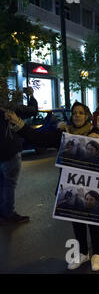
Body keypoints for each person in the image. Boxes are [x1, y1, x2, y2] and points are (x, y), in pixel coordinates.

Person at [5, 102, 99, 271]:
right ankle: (82, 253)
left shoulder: (96, 133)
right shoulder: (63, 134)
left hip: (93, 186)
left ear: (87, 116)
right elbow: (38, 138)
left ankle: (97, 254)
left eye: (81, 113)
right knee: (76, 220)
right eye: (74, 113)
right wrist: (18, 123)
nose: (77, 115)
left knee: (94, 220)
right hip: (71, 185)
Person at [0, 91, 38, 225]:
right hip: (10, 151)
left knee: (2, 184)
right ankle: (8, 214)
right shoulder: (11, 109)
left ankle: (3, 213)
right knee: (9, 184)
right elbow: (33, 110)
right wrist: (31, 96)